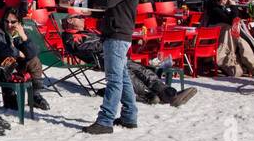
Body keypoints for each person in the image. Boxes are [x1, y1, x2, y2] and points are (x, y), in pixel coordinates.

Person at [64, 15, 196, 107]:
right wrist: (108, 41)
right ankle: (149, 95)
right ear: (70, 20)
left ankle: (168, 92)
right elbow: (84, 48)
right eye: (79, 17)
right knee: (128, 74)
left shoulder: (88, 31)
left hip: (115, 54)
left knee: (142, 70)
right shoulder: (70, 36)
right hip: (104, 59)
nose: (83, 19)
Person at [83, 0, 140, 134]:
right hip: (118, 32)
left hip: (117, 34)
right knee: (122, 77)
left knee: (114, 80)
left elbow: (109, 1)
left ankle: (105, 120)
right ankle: (129, 115)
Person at [0, 9, 50, 110]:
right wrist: (18, 52)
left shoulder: (21, 32)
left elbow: (33, 52)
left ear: (19, 22)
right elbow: (1, 50)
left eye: (13, 22)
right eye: (6, 21)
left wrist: (23, 36)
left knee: (34, 60)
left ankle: (35, 96)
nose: (9, 25)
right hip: (1, 67)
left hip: (17, 66)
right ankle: (9, 94)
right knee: (10, 59)